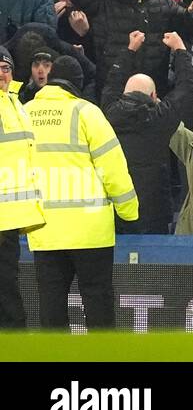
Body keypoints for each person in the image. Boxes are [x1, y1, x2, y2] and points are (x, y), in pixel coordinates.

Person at [26, 56, 138, 330]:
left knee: (51, 304)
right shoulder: (87, 112)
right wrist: (129, 212)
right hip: (90, 230)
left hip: (43, 229)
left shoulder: (23, 113)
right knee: (97, 301)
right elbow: (113, 167)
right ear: (77, 83)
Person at [101, 30, 193, 233]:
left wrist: (129, 51)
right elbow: (187, 86)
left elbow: (112, 82)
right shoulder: (160, 118)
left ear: (124, 93)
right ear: (154, 96)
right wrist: (179, 49)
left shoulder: (108, 113)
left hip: (114, 204)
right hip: (154, 208)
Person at [0, 45, 43, 328]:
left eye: (5, 68)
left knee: (7, 286)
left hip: (11, 218)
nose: (1, 74)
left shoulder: (15, 103)